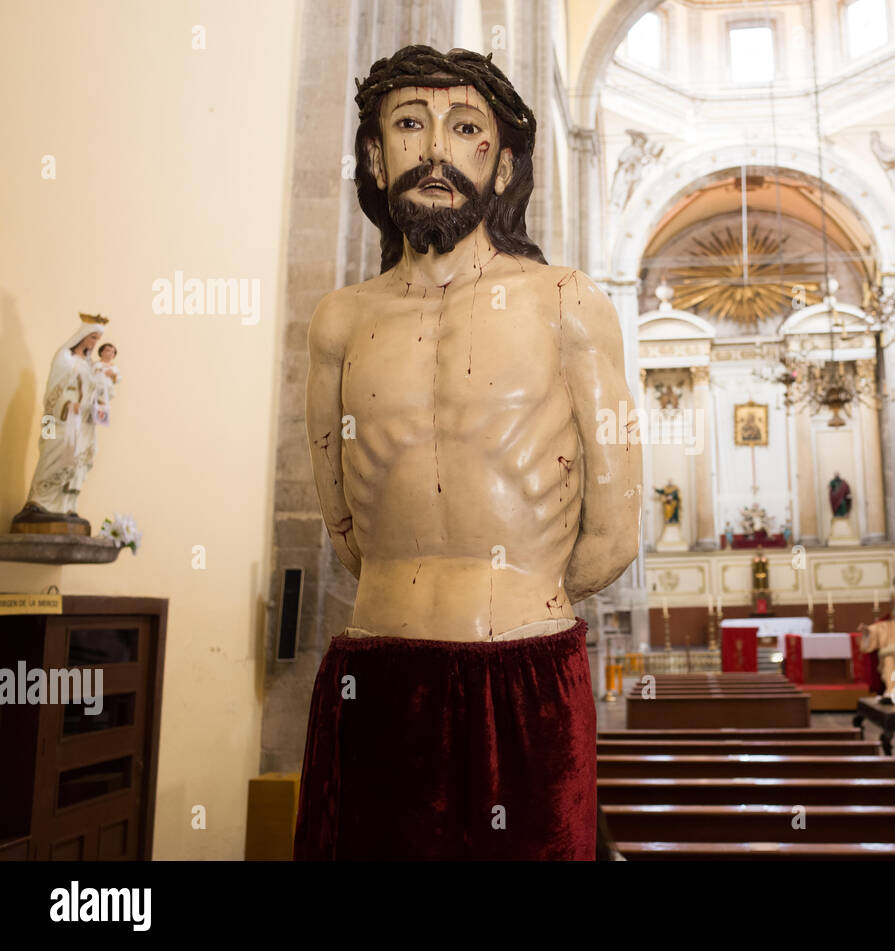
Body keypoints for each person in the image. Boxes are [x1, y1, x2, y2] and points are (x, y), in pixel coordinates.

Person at [294, 46, 642, 861]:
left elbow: (612, 533)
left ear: (505, 159)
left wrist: (509, 590)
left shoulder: (566, 302)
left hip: (524, 672)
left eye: (466, 129)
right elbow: (342, 520)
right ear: (376, 156)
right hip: (374, 670)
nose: (436, 149)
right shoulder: (341, 321)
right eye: (410, 124)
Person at [11, 314, 106, 531]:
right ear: (82, 336)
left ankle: (65, 505)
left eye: (97, 339)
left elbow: (91, 391)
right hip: (58, 418)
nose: (94, 344)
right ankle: (38, 501)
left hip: (80, 421)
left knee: (76, 460)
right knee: (52, 453)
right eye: (92, 338)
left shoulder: (89, 365)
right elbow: (52, 391)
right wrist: (67, 405)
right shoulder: (65, 358)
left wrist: (98, 400)